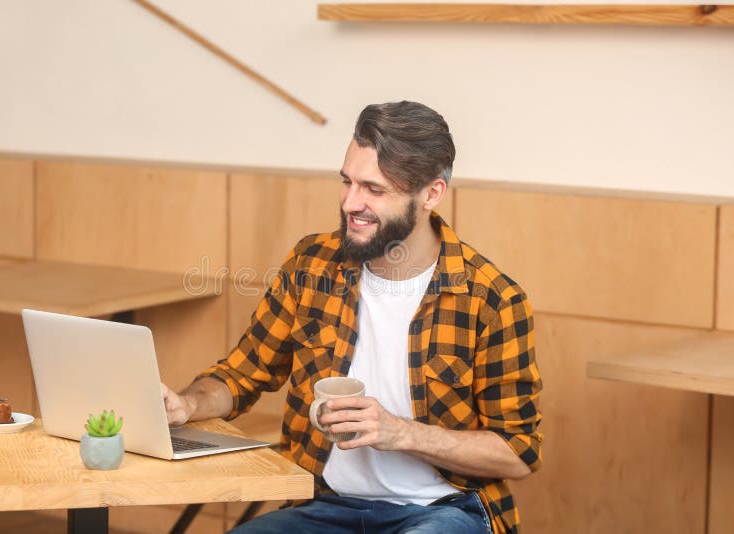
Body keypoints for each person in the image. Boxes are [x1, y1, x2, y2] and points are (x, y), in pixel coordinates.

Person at [162, 101, 543, 534]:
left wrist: (402, 433)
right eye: (347, 182)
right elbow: (241, 375)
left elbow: (518, 452)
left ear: (431, 195)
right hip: (329, 507)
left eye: (374, 190)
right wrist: (189, 404)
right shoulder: (311, 264)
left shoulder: (491, 299)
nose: (350, 202)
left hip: (443, 511)